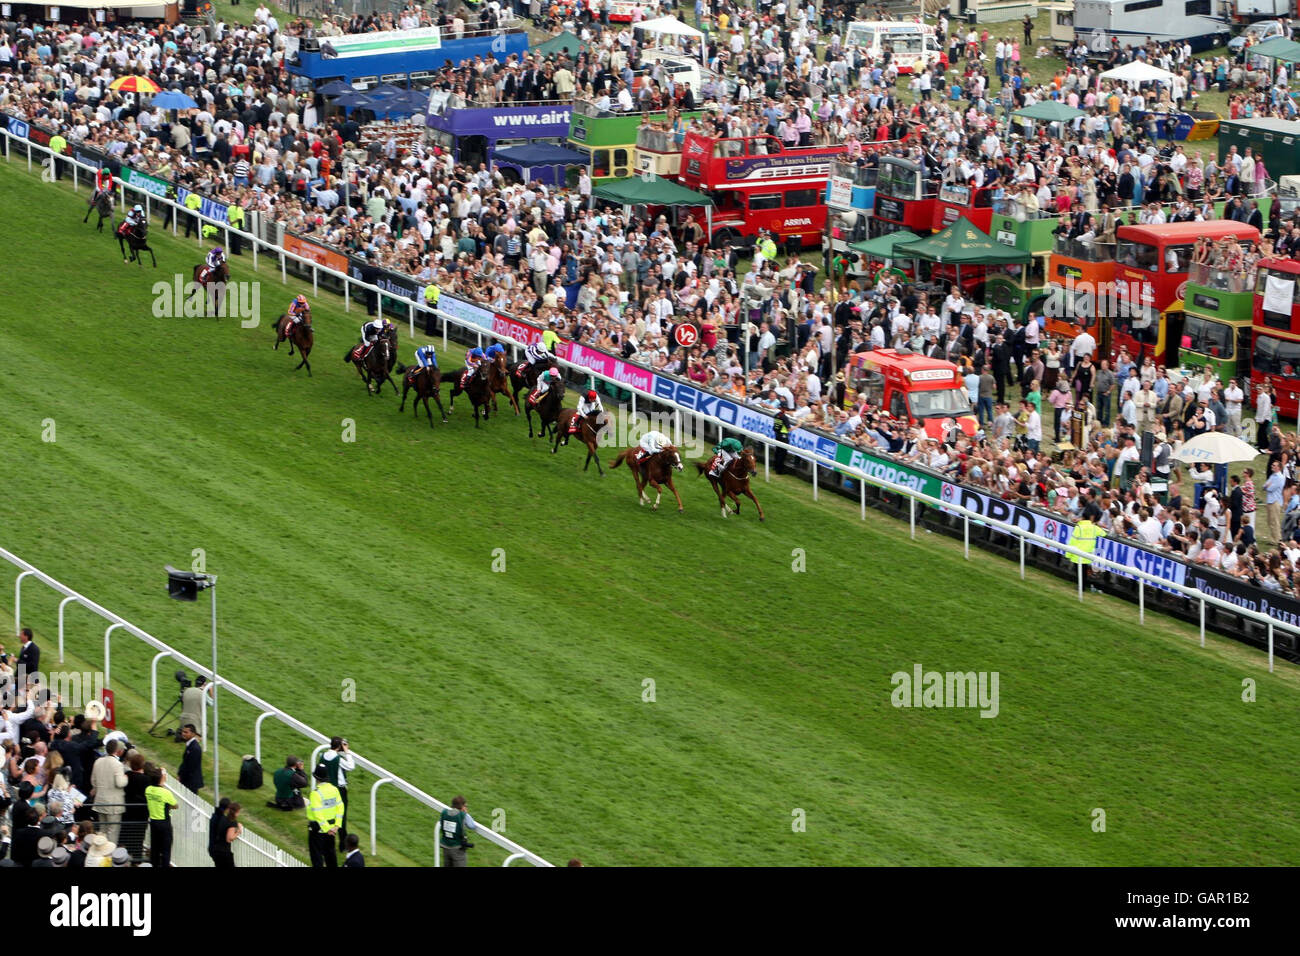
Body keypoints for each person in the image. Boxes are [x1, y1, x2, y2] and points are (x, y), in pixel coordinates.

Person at [319, 737, 355, 854]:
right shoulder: (338, 759)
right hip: (338, 791)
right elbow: (351, 766)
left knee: (328, 816)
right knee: (341, 818)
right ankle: (343, 845)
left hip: (325, 790)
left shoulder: (322, 756)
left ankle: (326, 843)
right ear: (339, 747)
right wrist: (347, 752)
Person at [90, 738, 128, 844]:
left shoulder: (98, 761)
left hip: (100, 802)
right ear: (118, 751)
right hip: (113, 805)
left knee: (102, 831)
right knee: (112, 833)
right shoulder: (117, 764)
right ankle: (109, 857)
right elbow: (120, 783)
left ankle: (101, 854)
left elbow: (93, 781)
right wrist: (125, 778)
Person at [306, 764, 344, 868]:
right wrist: (336, 826)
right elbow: (340, 808)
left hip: (317, 830)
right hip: (332, 829)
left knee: (317, 857)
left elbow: (318, 814)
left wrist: (327, 828)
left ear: (316, 778)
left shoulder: (315, 793)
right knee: (331, 856)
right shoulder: (334, 789)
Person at [145, 767, 179, 868]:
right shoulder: (166, 793)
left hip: (153, 822)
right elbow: (176, 806)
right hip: (164, 824)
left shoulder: (148, 790)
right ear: (161, 778)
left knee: (155, 848)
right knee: (166, 850)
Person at [438, 794, 477, 867]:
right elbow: (472, 825)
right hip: (457, 849)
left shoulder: (444, 813)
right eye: (466, 806)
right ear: (462, 807)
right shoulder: (463, 815)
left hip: (445, 847)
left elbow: (441, 822)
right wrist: (466, 813)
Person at [208, 800, 241, 868]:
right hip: (224, 853)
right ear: (236, 812)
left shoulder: (222, 818)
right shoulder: (232, 823)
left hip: (214, 849)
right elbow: (229, 838)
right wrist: (238, 832)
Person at [178, 723, 204, 793]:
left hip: (191, 782)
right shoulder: (190, 745)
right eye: (183, 732)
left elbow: (191, 767)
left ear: (193, 734)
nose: (183, 734)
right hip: (188, 779)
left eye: (186, 732)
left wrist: (182, 777)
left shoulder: (195, 748)